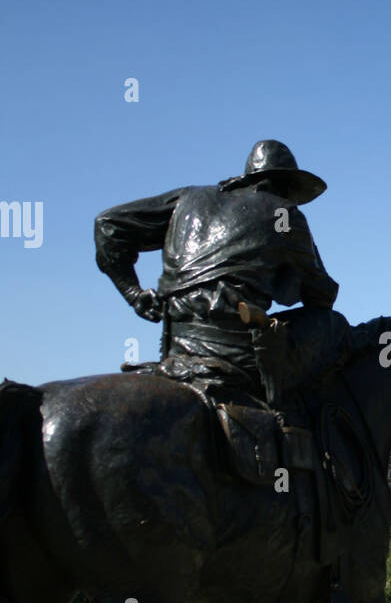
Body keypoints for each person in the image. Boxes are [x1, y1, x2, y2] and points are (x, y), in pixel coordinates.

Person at [94, 139, 339, 404]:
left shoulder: (187, 198)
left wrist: (134, 294)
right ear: (286, 186)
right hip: (234, 355)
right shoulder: (283, 214)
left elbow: (108, 224)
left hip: (175, 347)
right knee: (332, 325)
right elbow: (321, 297)